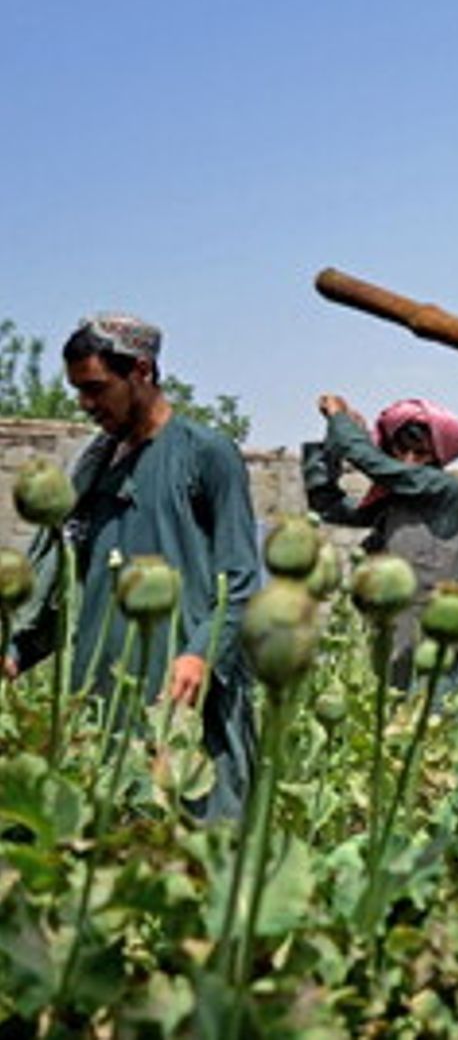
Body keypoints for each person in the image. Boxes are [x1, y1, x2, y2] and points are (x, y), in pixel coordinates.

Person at [4, 313, 260, 820]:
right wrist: (16, 653)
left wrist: (200, 655)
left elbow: (242, 582)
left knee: (195, 864)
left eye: (96, 387)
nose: (85, 404)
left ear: (141, 370)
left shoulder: (206, 454)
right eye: (78, 390)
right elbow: (70, 592)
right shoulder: (93, 468)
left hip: (182, 709)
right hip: (99, 709)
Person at [302, 395, 458, 692]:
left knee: (441, 727)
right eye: (402, 449)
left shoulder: (445, 490)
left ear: (436, 455)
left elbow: (375, 464)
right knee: (397, 726)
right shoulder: (393, 501)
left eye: (420, 451)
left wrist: (341, 424)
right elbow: (328, 505)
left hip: (441, 641)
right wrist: (331, 446)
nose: (409, 459)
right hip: (398, 638)